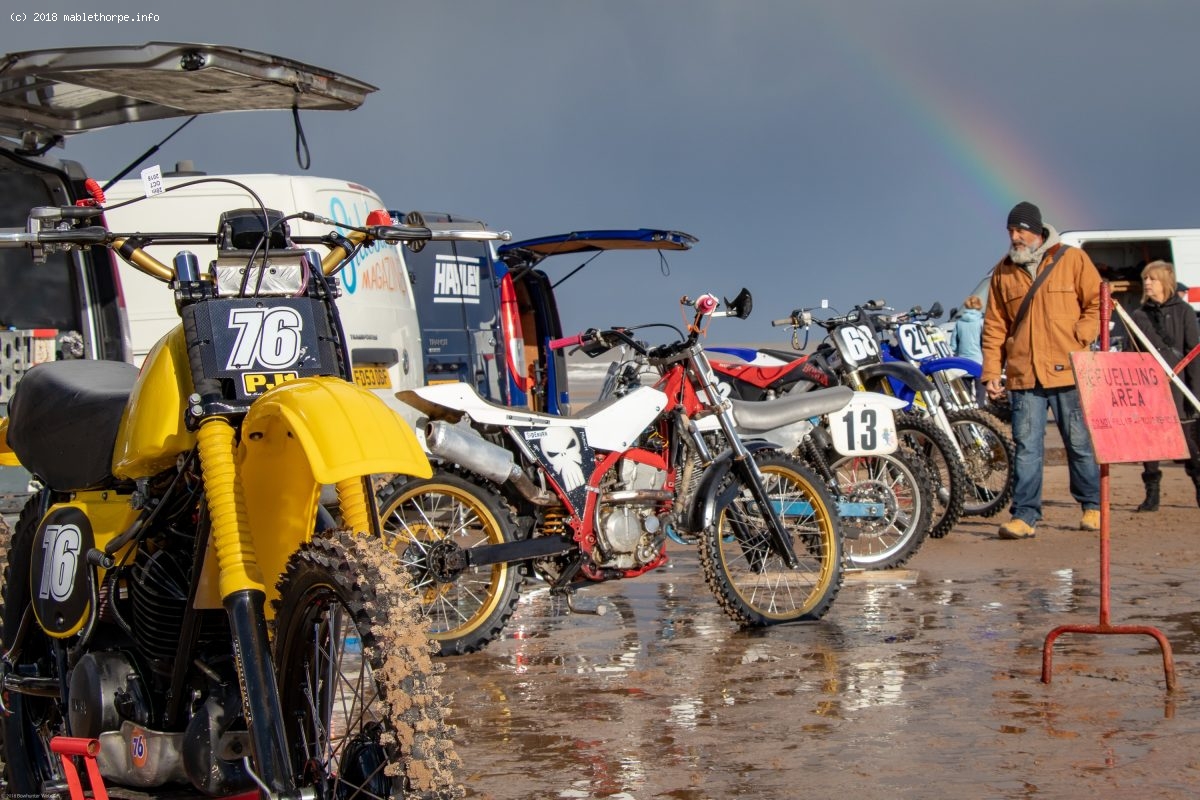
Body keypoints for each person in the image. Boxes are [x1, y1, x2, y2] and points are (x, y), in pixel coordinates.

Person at [981, 201, 1102, 540]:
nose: (1014, 237)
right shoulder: (1003, 271)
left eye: (1019, 230)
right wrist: (992, 372)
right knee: (1027, 447)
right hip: (1024, 375)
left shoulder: (1072, 259)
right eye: (1010, 231)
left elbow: (1096, 301)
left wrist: (1083, 333)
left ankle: (1092, 506)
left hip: (1068, 370)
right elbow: (994, 326)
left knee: (1078, 443)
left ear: (1036, 231)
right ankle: (1024, 516)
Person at [1129, 261, 1200, 510]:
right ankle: (1152, 496)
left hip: (1180, 389)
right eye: (1145, 278)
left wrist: (1194, 393)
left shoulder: (1184, 312)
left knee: (1190, 443)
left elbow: (1194, 353)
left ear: (1165, 281)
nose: (1147, 283)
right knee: (1150, 444)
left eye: (1153, 279)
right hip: (1150, 389)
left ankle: (1199, 488)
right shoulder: (1138, 315)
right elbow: (1131, 355)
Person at [951, 294, 985, 405]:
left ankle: (968, 412)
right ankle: (981, 412)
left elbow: (953, 346)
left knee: (965, 393)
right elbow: (984, 343)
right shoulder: (981, 323)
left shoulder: (959, 323)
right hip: (979, 361)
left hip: (963, 362)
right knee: (981, 393)